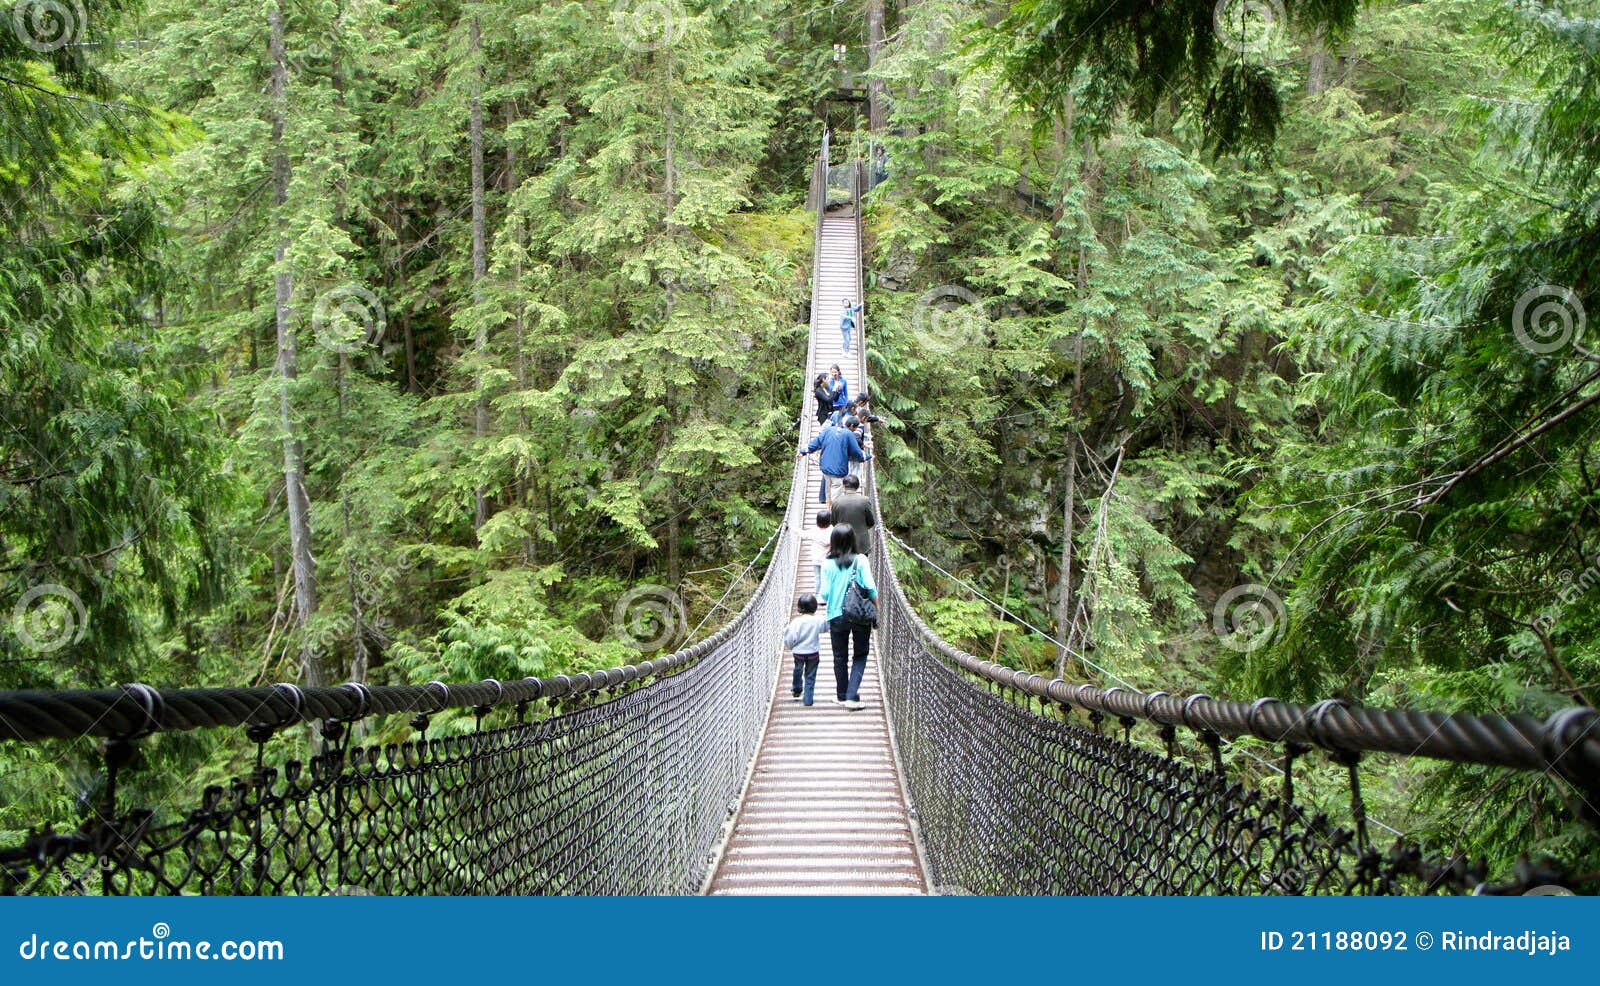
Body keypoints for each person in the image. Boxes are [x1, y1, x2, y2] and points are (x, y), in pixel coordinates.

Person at [818, 524, 878, 709]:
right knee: (860, 655)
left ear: (833, 542)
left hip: (836, 615)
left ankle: (842, 695)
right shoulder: (861, 560)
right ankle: (852, 696)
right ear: (853, 540)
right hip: (859, 613)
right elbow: (870, 587)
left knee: (839, 657)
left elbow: (825, 594)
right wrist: (877, 609)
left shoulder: (827, 563)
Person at [799, 415, 870, 504]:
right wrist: (867, 456)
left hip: (825, 468)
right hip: (838, 471)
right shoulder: (848, 434)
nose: (855, 431)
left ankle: (829, 509)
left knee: (828, 490)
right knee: (836, 494)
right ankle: (834, 514)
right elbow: (856, 452)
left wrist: (803, 452)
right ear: (851, 426)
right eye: (855, 428)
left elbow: (816, 443)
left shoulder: (829, 430)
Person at [783, 594, 825, 706]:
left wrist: (790, 646)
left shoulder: (796, 622)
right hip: (813, 653)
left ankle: (796, 688)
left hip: (799, 653)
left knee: (798, 669)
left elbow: (790, 636)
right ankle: (808, 699)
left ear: (799, 608)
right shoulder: (817, 620)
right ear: (815, 607)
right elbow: (825, 627)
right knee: (810, 675)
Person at [829, 474, 875, 556]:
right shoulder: (865, 500)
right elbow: (871, 522)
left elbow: (833, 522)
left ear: (844, 487)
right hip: (861, 543)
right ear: (857, 486)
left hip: (842, 542)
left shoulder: (836, 502)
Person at [808, 509, 833, 592]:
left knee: (817, 577)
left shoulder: (813, 530)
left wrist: (793, 528)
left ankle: (817, 594)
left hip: (816, 559)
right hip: (827, 559)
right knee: (827, 577)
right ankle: (826, 594)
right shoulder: (832, 530)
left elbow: (804, 534)